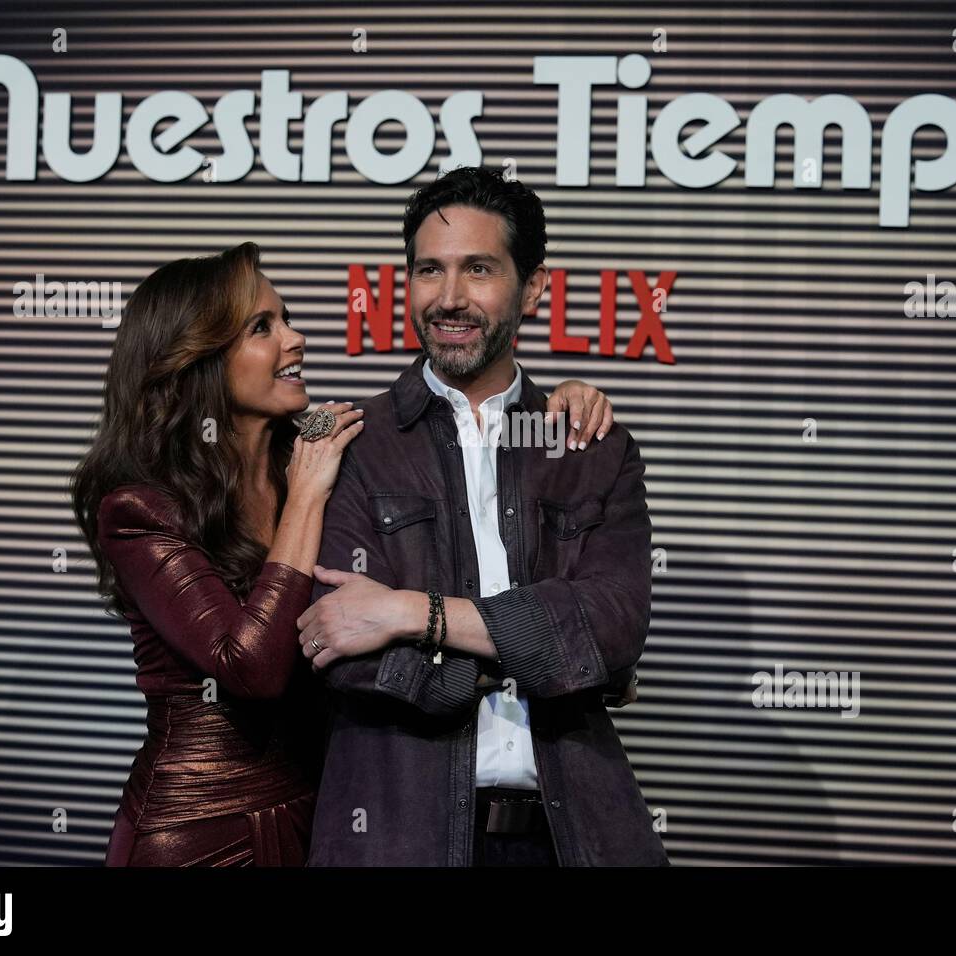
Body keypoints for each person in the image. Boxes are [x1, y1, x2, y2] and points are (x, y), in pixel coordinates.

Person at [70, 240, 614, 866]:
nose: (295, 338)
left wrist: (557, 399)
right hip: (200, 829)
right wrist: (304, 495)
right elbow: (253, 669)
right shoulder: (141, 509)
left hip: (324, 817)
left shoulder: (329, 450)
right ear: (197, 359)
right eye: (262, 327)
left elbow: (452, 407)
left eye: (287, 317)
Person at [296, 167, 669, 866]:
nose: (450, 298)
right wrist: (547, 657)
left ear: (533, 287)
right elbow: (339, 650)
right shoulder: (349, 440)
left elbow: (613, 631)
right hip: (399, 840)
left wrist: (413, 613)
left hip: (571, 842)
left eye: (479, 270)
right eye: (429, 270)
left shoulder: (588, 444)